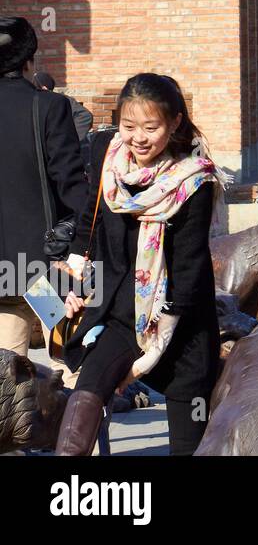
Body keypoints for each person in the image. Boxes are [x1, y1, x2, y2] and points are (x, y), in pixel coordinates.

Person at [55, 73, 228, 456]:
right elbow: (90, 220)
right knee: (82, 401)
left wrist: (148, 357)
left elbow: (189, 269)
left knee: (188, 444)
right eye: (129, 125)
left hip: (178, 326)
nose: (138, 138)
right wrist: (75, 279)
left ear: (176, 122)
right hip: (118, 312)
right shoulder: (106, 151)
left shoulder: (193, 180)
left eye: (151, 127)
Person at [0, 16, 88, 358]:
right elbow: (68, 182)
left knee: (8, 373)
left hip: (8, 274)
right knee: (71, 358)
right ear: (28, 61)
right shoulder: (48, 106)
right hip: (43, 270)